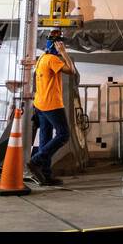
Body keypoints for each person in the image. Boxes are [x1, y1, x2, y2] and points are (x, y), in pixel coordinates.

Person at [29, 33, 76, 186]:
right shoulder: (53, 59)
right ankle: (36, 160)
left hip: (40, 104)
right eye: (61, 44)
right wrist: (64, 53)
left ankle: (45, 175)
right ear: (56, 45)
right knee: (63, 134)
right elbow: (71, 71)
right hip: (52, 104)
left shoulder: (42, 58)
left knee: (45, 138)